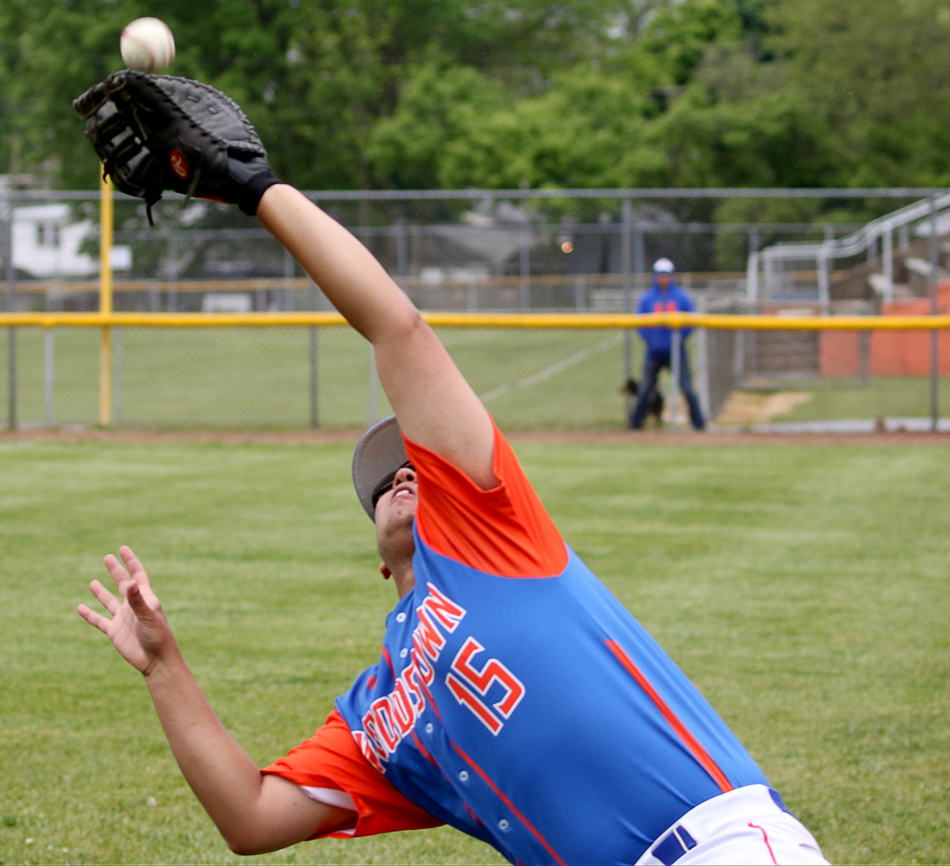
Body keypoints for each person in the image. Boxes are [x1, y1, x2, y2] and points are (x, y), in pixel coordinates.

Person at [77, 77, 827, 865]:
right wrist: (164, 665)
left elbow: (396, 330)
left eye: (416, 469)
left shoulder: (487, 534)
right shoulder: (382, 718)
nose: (402, 477)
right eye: (383, 482)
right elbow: (252, 817)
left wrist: (256, 190)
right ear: (376, 558)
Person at [631, 258, 706, 431]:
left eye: (666, 275)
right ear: (655, 277)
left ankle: (699, 424)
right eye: (660, 275)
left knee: (688, 389)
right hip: (654, 352)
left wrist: (680, 339)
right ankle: (635, 426)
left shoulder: (681, 297)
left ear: (671, 277)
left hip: (677, 352)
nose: (663, 279)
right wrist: (652, 340)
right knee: (644, 390)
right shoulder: (647, 298)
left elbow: (691, 320)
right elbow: (640, 324)